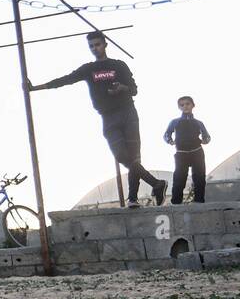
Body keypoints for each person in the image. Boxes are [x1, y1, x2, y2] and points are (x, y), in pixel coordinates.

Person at [26, 31, 168, 208]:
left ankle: (133, 199)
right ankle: (156, 183)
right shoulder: (88, 69)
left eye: (97, 44)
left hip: (127, 113)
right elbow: (66, 80)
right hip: (108, 117)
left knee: (134, 158)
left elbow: (134, 89)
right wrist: (35, 88)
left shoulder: (119, 65)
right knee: (122, 156)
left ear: (105, 44)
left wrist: (121, 88)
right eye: (91, 46)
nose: (95, 48)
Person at [164, 96, 211, 204]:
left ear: (193, 105)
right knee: (179, 178)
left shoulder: (199, 123)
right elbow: (166, 134)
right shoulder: (174, 122)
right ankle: (176, 203)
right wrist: (170, 141)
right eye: (182, 105)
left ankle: (199, 201)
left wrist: (205, 140)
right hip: (181, 153)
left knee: (199, 178)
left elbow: (207, 136)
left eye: (187, 104)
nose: (185, 106)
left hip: (197, 152)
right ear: (179, 107)